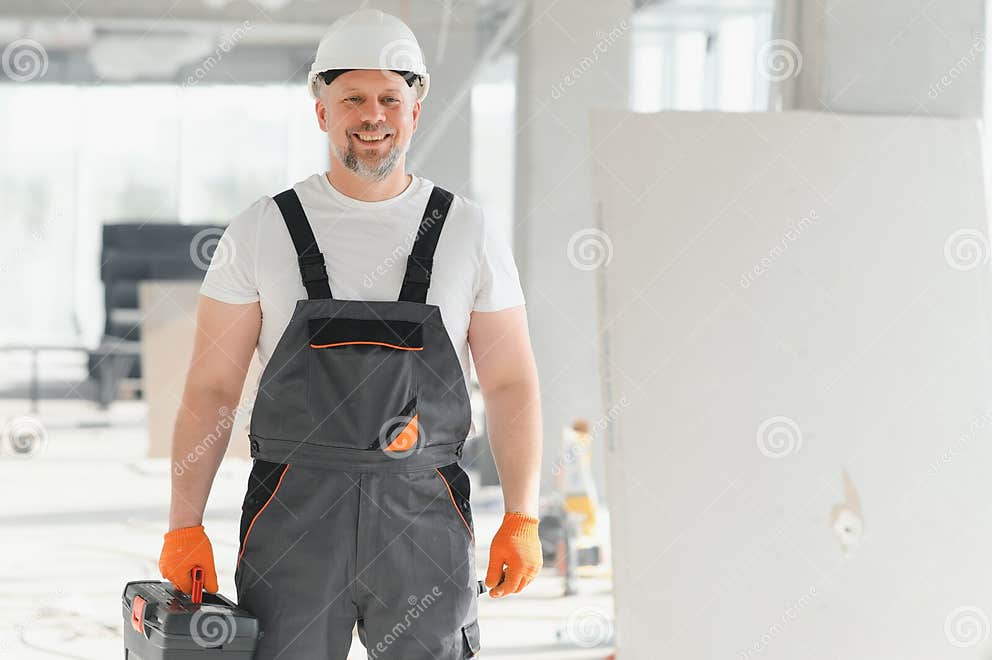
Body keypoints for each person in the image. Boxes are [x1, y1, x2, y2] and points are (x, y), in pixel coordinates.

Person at [156, 9, 543, 659]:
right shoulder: (261, 229)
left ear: (414, 111)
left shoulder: (467, 232)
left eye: (390, 98)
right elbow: (211, 389)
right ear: (321, 112)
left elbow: (510, 382)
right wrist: (182, 525)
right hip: (294, 525)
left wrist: (524, 514)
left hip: (425, 523)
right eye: (353, 99)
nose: (373, 116)